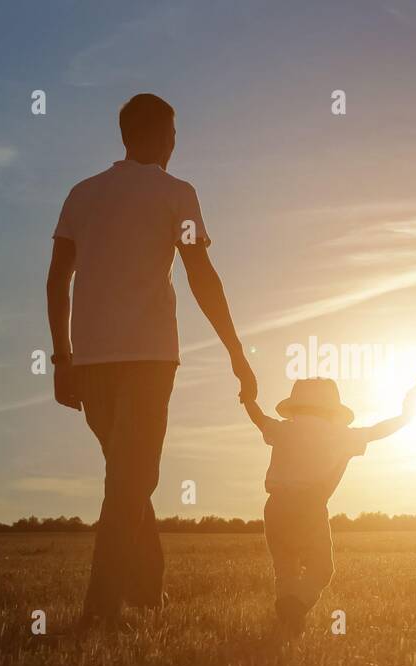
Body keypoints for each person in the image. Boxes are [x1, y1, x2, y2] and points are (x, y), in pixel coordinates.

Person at [45, 93, 257, 627]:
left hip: (90, 362)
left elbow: (56, 281)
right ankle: (100, 613)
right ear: (165, 136)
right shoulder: (177, 193)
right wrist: (236, 350)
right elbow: (200, 274)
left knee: (128, 476)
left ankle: (147, 591)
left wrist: (63, 358)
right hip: (148, 360)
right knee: (129, 481)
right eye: (174, 134)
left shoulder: (82, 194)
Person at [242, 379, 416, 634]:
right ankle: (296, 606)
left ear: (296, 405)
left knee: (285, 567)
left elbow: (259, 419)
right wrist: (406, 416)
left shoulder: (283, 430)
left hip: (275, 506)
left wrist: (247, 398)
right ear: (332, 409)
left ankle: (288, 618)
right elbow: (377, 431)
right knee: (322, 569)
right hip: (309, 506)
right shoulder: (340, 435)